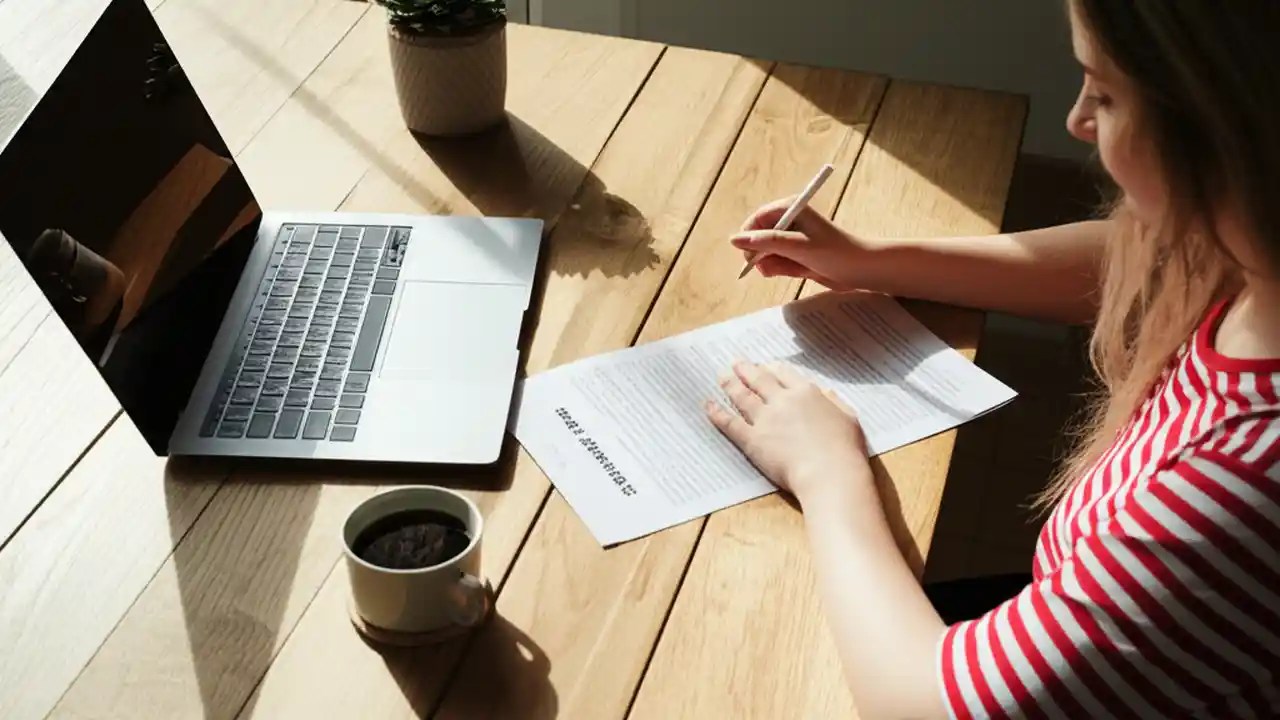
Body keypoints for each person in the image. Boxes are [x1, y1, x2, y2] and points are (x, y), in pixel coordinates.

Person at [708, 2, 1280, 717]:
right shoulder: (1249, 258)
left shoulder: (1238, 487)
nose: (1076, 120)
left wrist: (828, 473)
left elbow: (926, 706)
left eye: (1103, 93)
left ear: (1227, 127)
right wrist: (870, 261)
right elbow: (1148, 260)